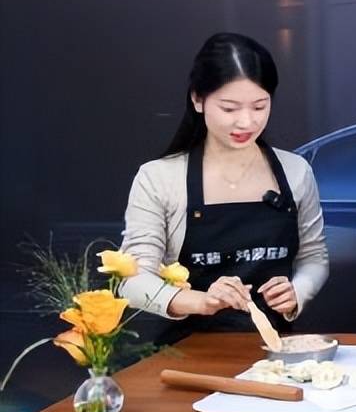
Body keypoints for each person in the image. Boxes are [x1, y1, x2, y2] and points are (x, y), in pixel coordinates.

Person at [118, 32, 328, 336]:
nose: (246, 122)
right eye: (229, 109)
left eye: (259, 107)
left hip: (277, 349)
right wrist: (202, 301)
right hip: (187, 350)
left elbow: (314, 257)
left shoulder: (296, 171)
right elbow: (133, 280)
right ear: (198, 99)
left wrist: (298, 291)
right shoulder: (158, 178)